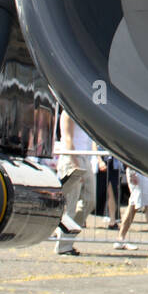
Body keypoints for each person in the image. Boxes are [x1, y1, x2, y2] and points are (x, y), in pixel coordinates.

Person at [54, 109, 96, 255]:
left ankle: (68, 236)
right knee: (70, 205)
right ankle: (63, 246)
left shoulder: (83, 113)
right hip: (71, 159)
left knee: (90, 201)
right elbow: (67, 140)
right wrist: (76, 165)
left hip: (85, 158)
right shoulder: (68, 113)